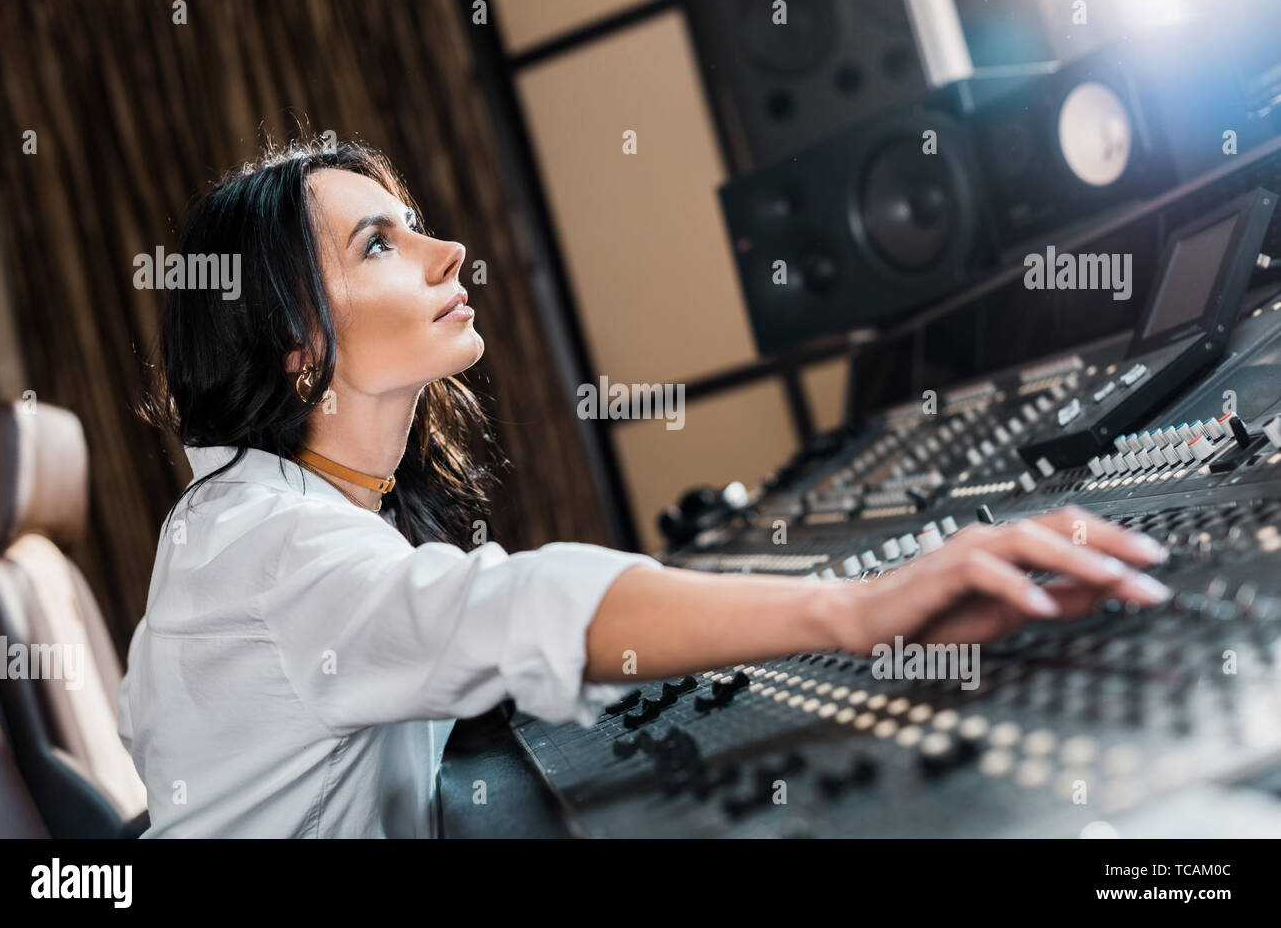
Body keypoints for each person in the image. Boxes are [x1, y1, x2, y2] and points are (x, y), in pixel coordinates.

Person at [119, 139, 1172, 837]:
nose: (449, 253)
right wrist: (851, 607)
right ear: (296, 345)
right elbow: (505, 607)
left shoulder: (264, 516)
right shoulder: (270, 547)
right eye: (381, 245)